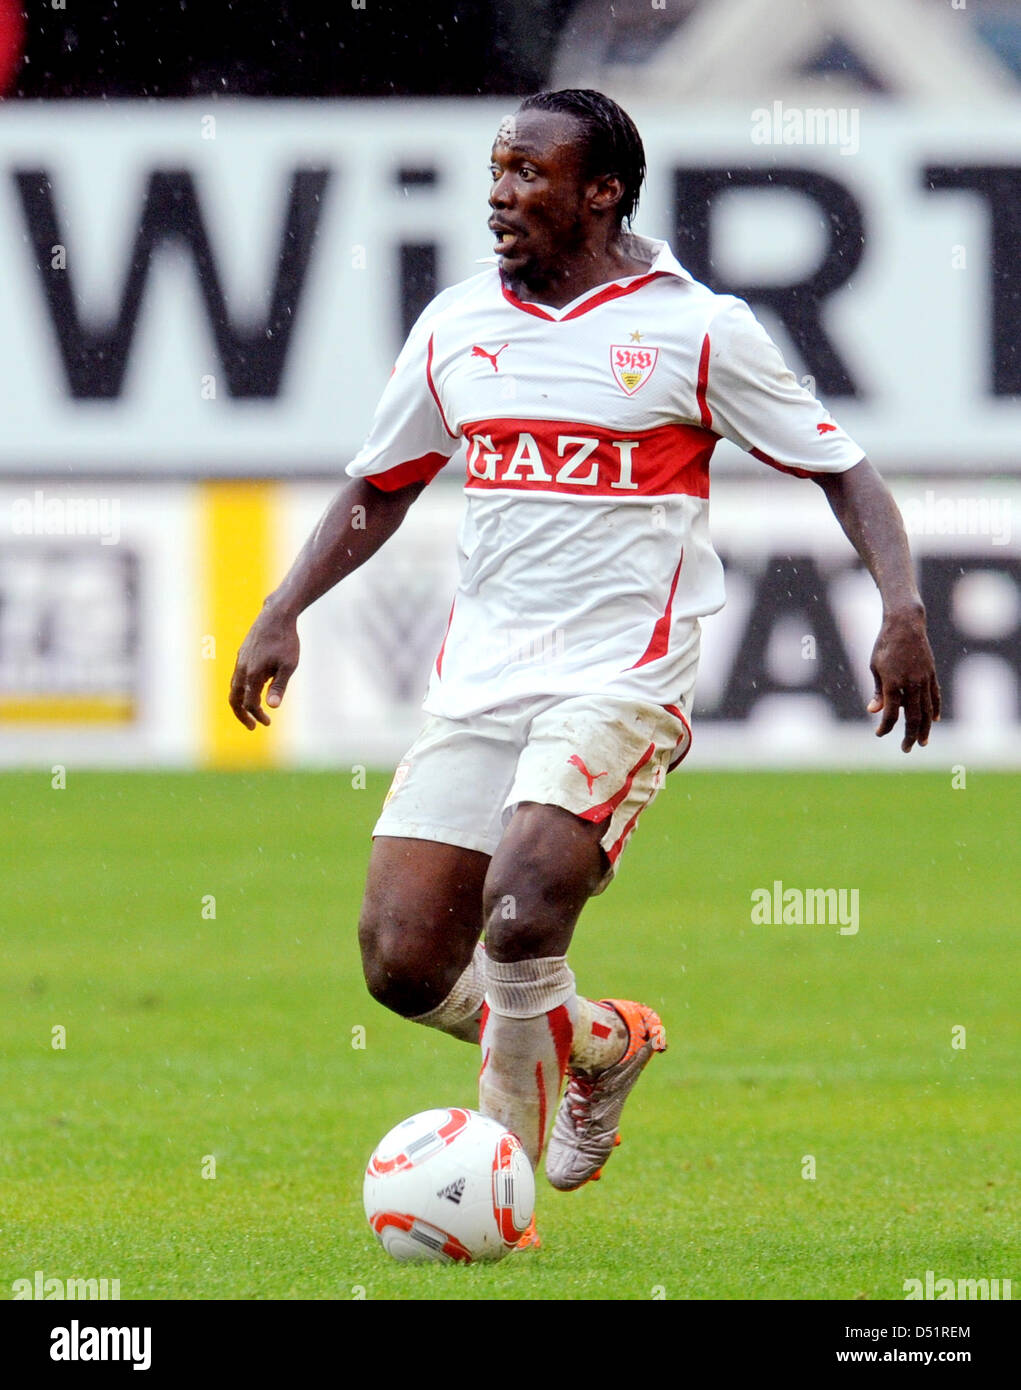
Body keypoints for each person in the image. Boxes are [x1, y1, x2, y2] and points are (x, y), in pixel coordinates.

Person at [229, 89, 940, 1243]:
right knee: (402, 962)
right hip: (481, 677)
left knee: (519, 909)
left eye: (529, 173)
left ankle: (494, 1197)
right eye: (496, 170)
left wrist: (900, 607)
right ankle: (603, 1042)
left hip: (623, 676)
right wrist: (283, 605)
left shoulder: (696, 330)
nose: (500, 194)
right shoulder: (457, 323)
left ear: (602, 191)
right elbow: (382, 484)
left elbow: (842, 470)